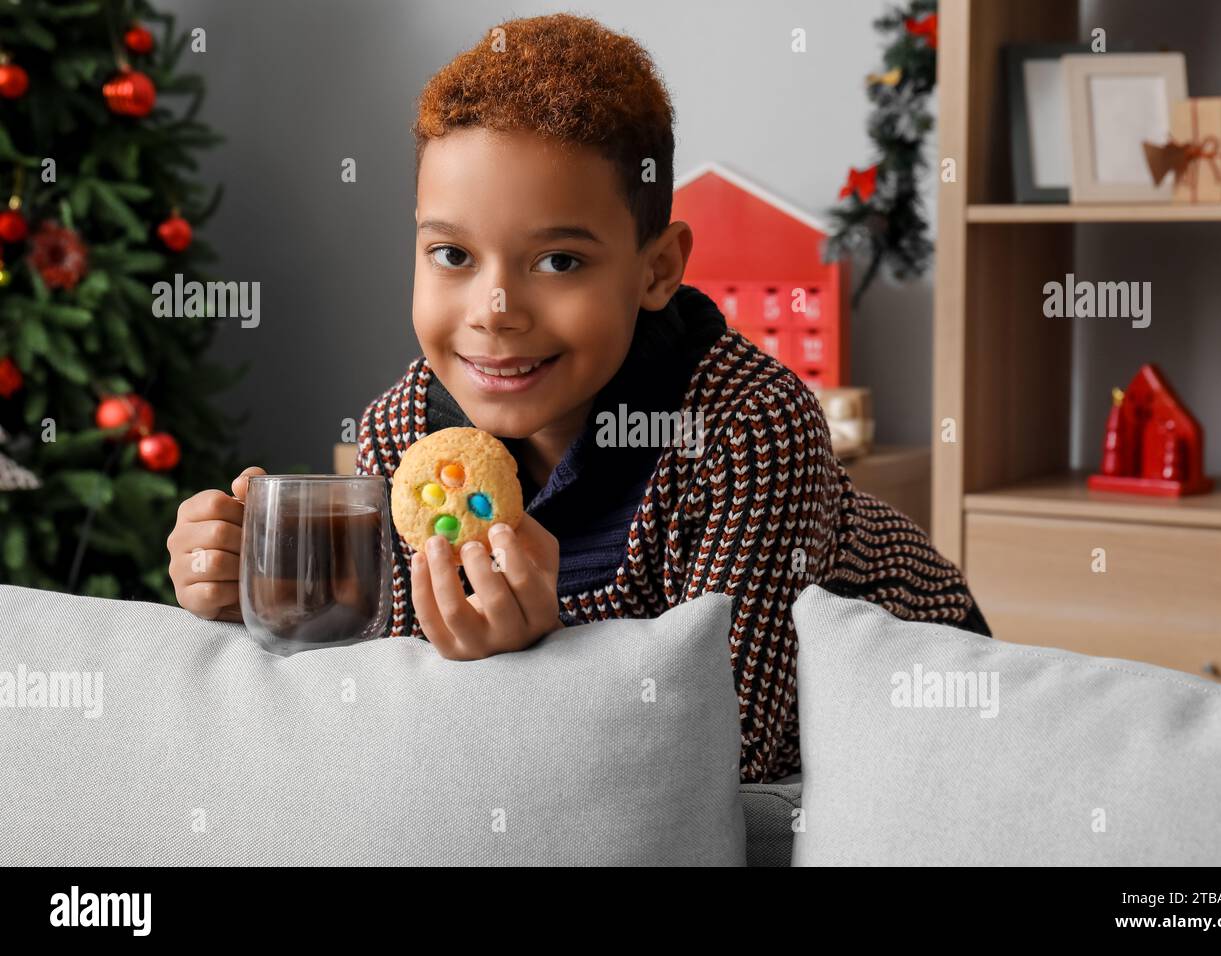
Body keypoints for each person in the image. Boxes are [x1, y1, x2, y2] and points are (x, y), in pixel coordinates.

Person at [167, 12, 990, 784]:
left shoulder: (744, 429)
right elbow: (388, 687)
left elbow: (725, 749)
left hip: (914, 735)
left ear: (658, 269)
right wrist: (262, 595)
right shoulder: (400, 435)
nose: (496, 312)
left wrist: (544, 656)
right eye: (452, 255)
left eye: (559, 262)